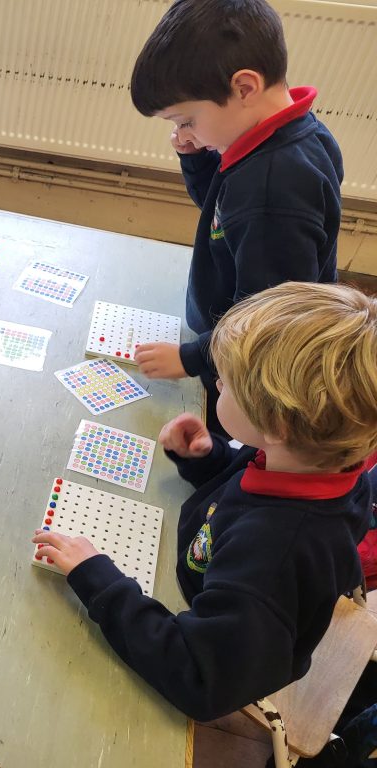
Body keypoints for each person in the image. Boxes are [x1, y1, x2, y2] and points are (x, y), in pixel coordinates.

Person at [34, 282, 377, 721]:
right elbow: (244, 498)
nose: (216, 384)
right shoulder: (319, 464)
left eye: (227, 385)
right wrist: (208, 459)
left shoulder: (272, 557)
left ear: (277, 425)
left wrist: (100, 582)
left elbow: (199, 679)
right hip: (228, 600)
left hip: (217, 635)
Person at [128, 0, 343, 435]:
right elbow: (221, 213)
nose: (182, 132)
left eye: (186, 120)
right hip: (226, 337)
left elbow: (269, 325)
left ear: (244, 88)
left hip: (242, 367)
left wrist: (191, 359)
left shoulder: (273, 187)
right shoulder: (295, 135)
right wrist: (196, 158)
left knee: (215, 442)